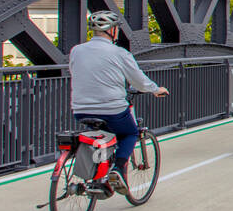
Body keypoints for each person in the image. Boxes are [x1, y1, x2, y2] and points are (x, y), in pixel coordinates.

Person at [69, 10, 168, 194]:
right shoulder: (119, 53)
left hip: (80, 109)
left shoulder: (76, 51)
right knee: (129, 133)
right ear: (112, 31)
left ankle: (98, 177)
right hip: (111, 108)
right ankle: (118, 169)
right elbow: (139, 81)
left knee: (100, 136)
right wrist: (156, 89)